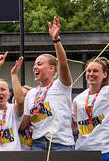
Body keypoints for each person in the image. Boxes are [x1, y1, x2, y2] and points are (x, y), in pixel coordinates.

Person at [19, 16, 75, 152]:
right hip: (38, 144)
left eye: (39, 64)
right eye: (34, 65)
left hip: (61, 144)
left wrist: (56, 40)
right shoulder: (31, 93)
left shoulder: (61, 85)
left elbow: (63, 63)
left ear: (51, 68)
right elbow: (25, 123)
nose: (35, 67)